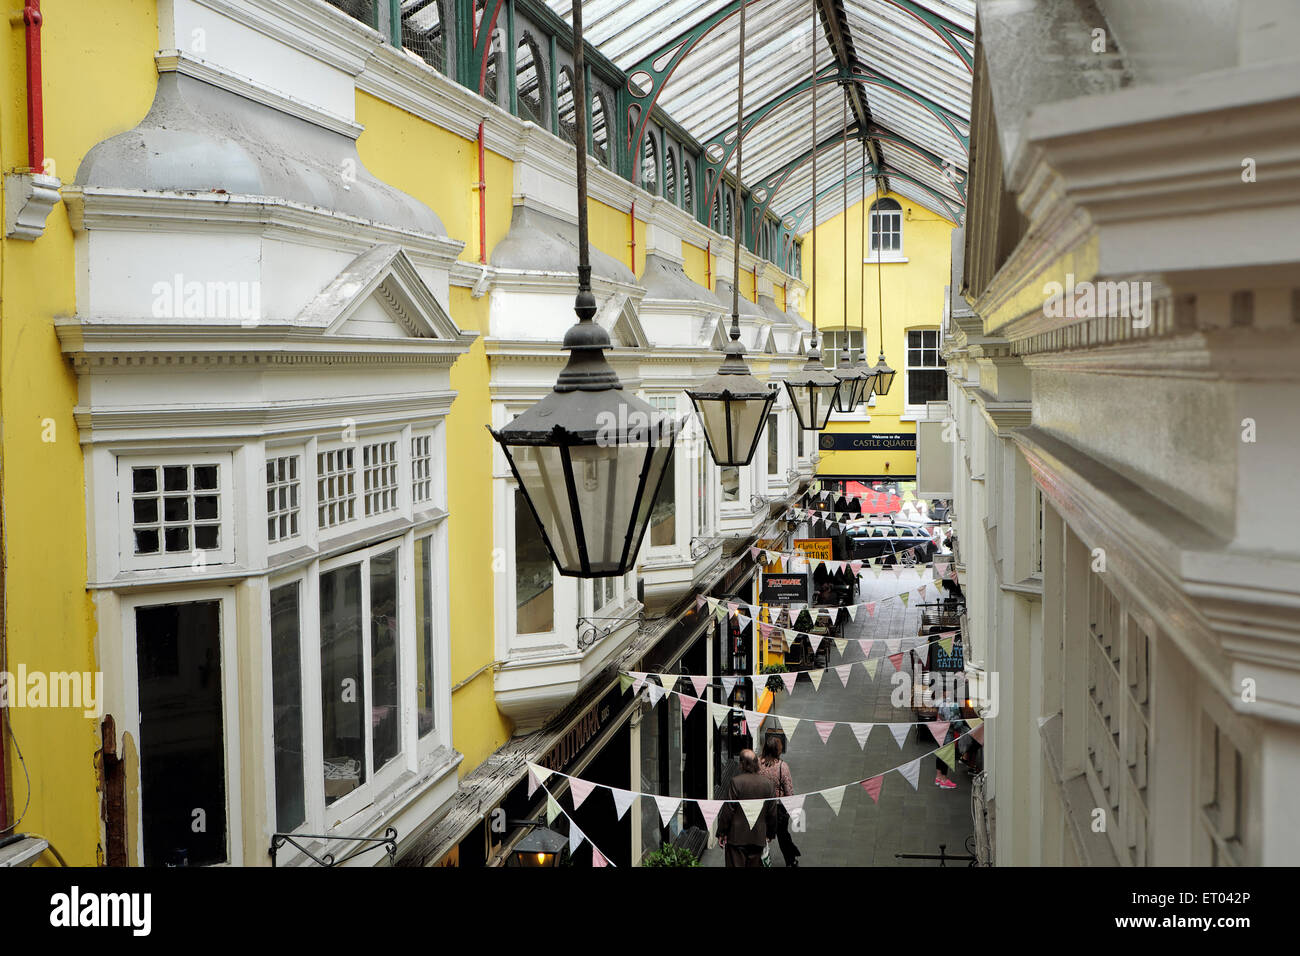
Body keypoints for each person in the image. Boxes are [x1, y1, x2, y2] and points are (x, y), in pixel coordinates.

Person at [717, 748, 778, 867]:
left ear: (742, 764)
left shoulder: (736, 782)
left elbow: (728, 810)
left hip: (736, 838)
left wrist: (721, 832)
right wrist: (770, 833)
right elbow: (772, 812)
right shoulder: (768, 784)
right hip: (758, 837)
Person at [757, 736, 801, 867]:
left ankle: (758, 860)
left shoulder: (758, 763)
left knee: (761, 835)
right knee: (783, 836)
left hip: (761, 807)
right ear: (777, 750)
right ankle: (791, 860)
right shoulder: (782, 767)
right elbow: (788, 790)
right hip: (777, 808)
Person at [935, 695, 961, 790]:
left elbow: (940, 715)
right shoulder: (954, 705)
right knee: (946, 755)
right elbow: (954, 721)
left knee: (940, 753)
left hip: (939, 730)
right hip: (947, 733)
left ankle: (938, 777)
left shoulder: (942, 702)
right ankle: (944, 780)